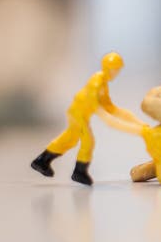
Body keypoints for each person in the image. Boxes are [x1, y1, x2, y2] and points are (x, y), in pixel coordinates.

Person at [30, 52, 138, 185]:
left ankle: (42, 161)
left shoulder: (104, 84)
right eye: (116, 69)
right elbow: (95, 103)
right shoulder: (97, 81)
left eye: (118, 70)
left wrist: (132, 119)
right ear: (108, 68)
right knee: (88, 141)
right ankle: (79, 172)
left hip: (81, 114)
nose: (117, 73)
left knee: (69, 139)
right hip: (77, 113)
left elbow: (109, 106)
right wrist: (106, 118)